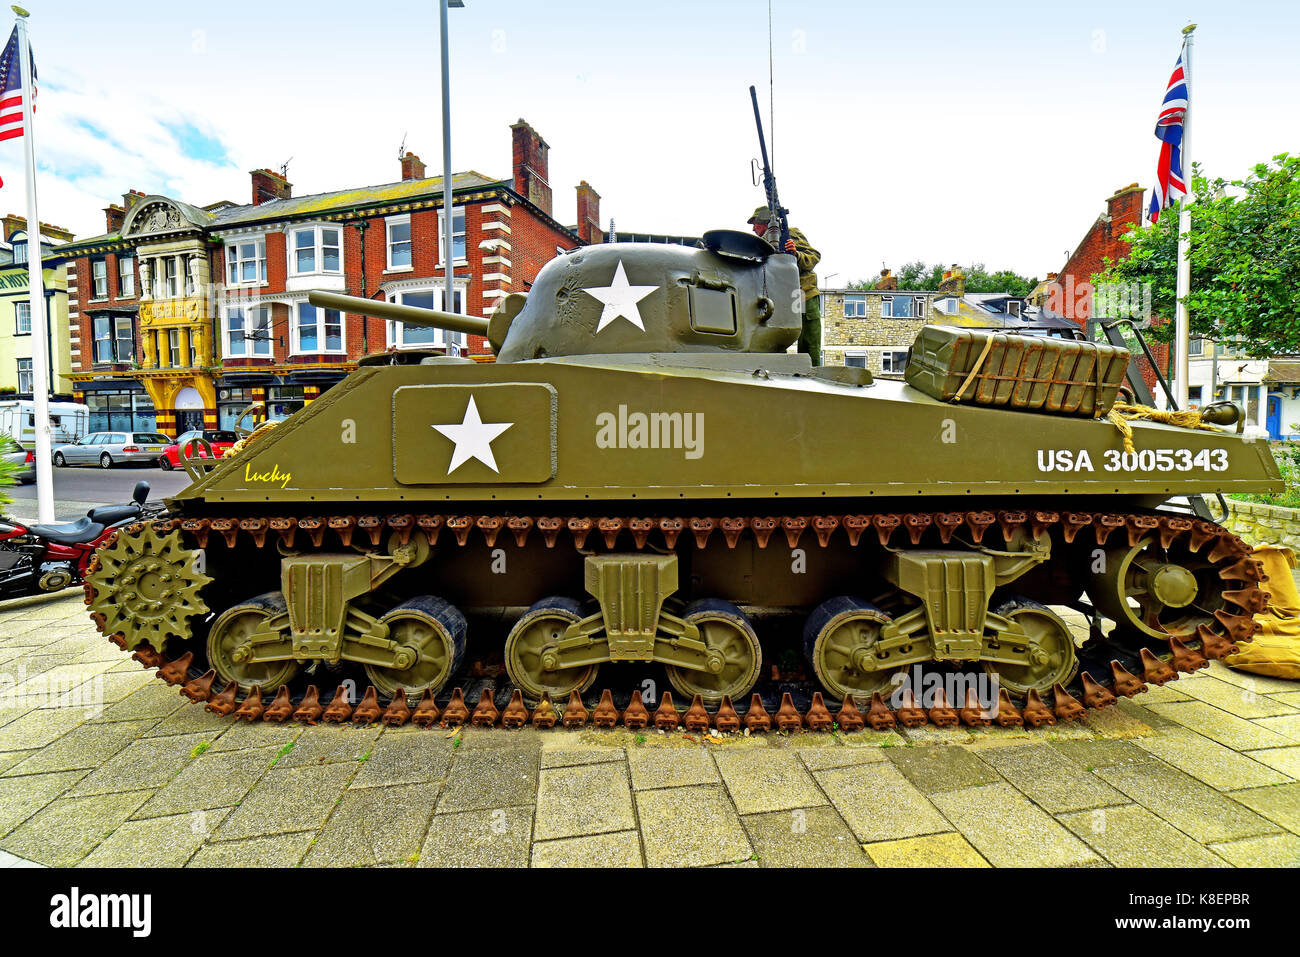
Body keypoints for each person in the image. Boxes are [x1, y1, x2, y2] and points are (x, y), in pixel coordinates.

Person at [748, 206, 822, 364]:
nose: (753, 228)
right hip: (778, 298)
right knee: (774, 341)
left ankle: (812, 377)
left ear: (764, 220)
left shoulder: (790, 234)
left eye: (755, 223)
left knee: (809, 342)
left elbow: (813, 256)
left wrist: (796, 254)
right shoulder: (758, 244)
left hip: (800, 294)